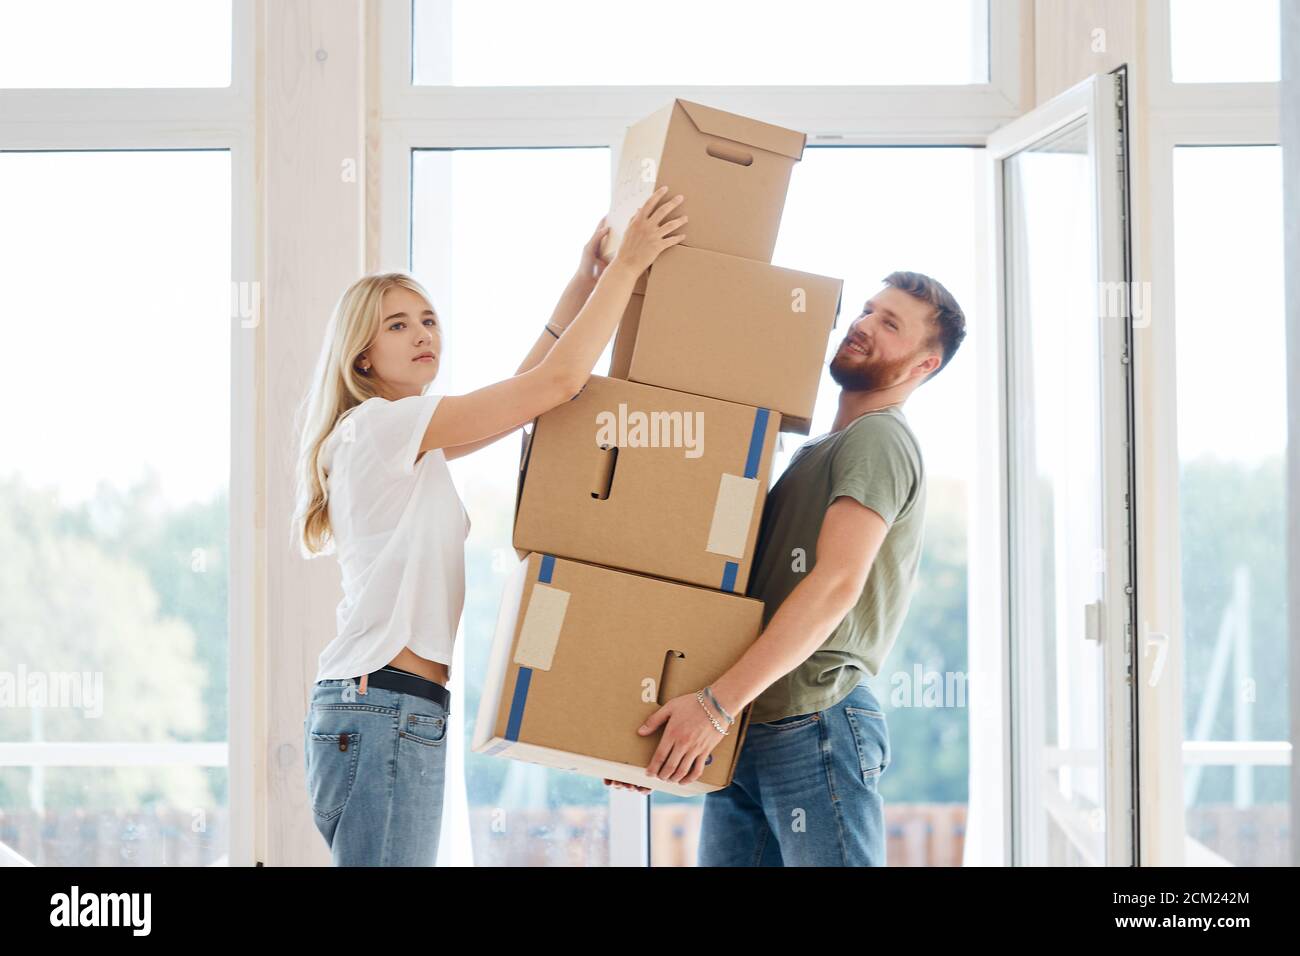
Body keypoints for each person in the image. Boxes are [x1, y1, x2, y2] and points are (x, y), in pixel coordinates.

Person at [292, 186, 688, 865]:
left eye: (428, 319)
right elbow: (556, 385)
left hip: (387, 710)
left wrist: (584, 279)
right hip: (383, 709)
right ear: (361, 356)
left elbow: (528, 386)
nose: (422, 334)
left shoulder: (404, 438)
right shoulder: (384, 429)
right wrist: (630, 267)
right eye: (396, 325)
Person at [605, 271, 966, 868]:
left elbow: (836, 585)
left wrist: (715, 709)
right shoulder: (818, 449)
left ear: (922, 367)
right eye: (869, 311)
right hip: (753, 724)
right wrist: (684, 726)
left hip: (812, 720)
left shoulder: (879, 439)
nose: (864, 324)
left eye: (890, 323)